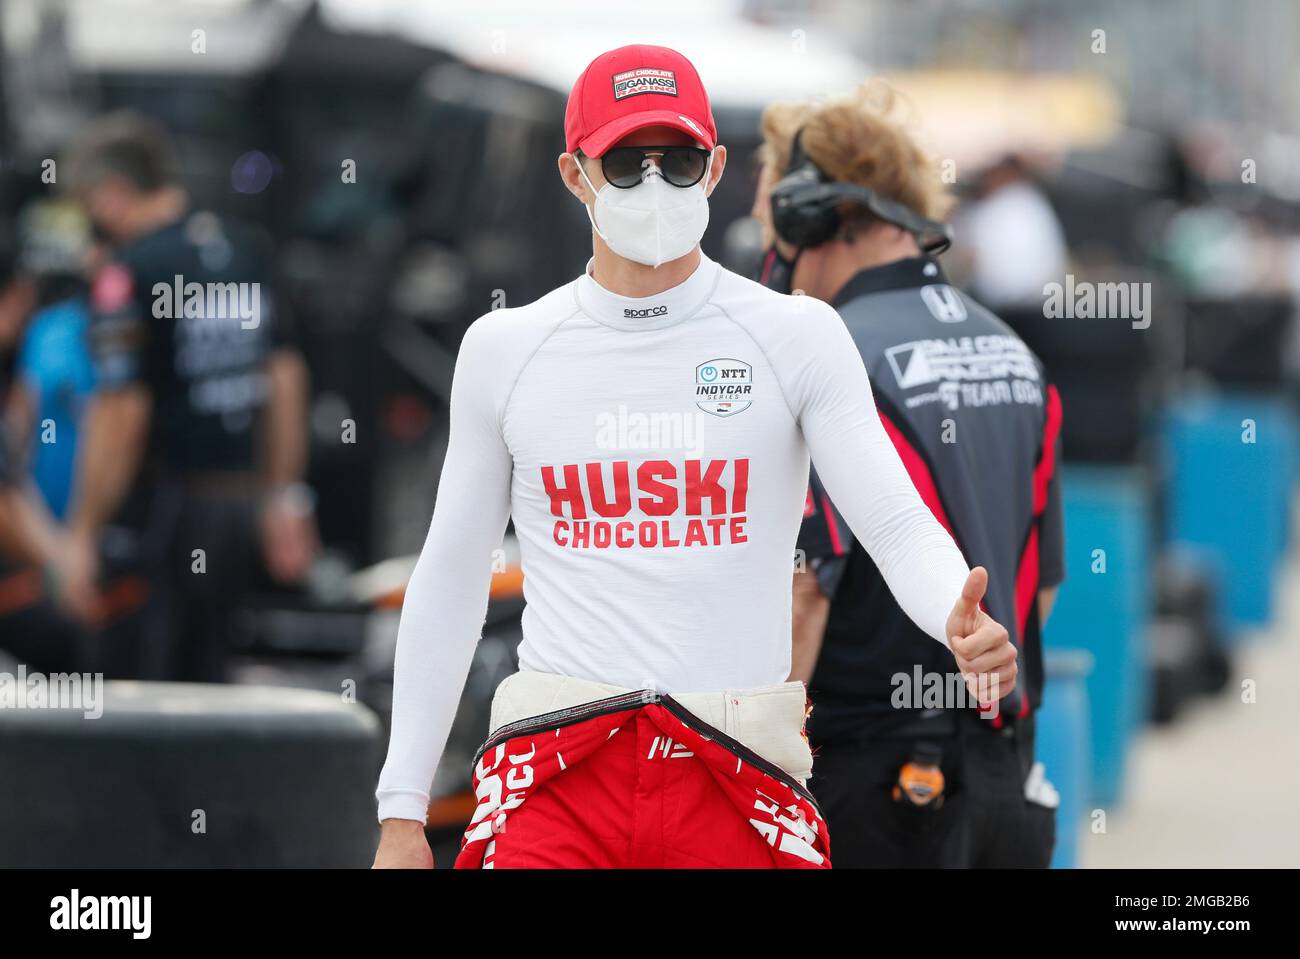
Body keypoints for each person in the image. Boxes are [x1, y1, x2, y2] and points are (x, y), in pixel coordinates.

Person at [373, 45, 1018, 870]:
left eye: (676, 161)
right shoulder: (504, 348)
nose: (654, 186)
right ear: (576, 174)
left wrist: (953, 616)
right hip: (556, 774)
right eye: (626, 162)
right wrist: (401, 812)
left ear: (714, 168)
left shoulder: (797, 334)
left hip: (736, 767)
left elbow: (893, 521)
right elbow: (452, 574)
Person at [752, 83, 1065, 867]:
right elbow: (1044, 589)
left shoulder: (830, 356)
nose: (768, 250)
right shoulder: (1017, 356)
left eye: (769, 223)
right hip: (1007, 779)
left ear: (811, 214)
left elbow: (804, 593)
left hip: (871, 785)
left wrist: (748, 774)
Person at [58, 112, 317, 680]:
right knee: (213, 678)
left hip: (165, 512)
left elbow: (120, 411)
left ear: (113, 193)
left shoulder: (128, 270)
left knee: (140, 688)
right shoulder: (245, 250)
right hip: (237, 507)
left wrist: (81, 532)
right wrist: (284, 495)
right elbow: (284, 379)